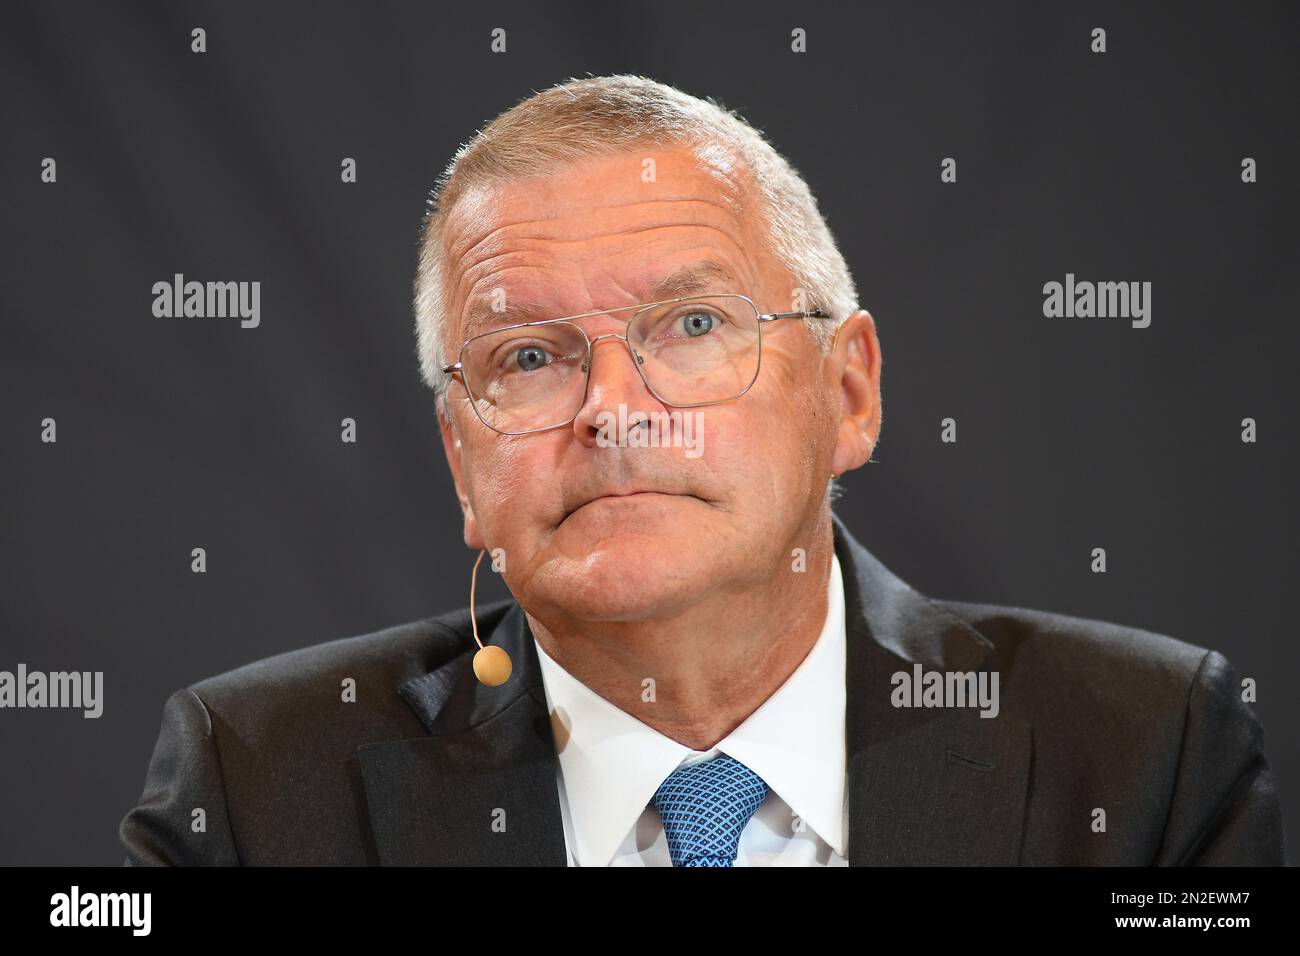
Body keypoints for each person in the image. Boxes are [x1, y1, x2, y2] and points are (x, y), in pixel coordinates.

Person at [119, 75, 1286, 866]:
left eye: (690, 325)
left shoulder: (1147, 754)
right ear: (464, 461)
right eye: (527, 357)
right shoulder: (257, 790)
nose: (616, 414)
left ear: (847, 391)